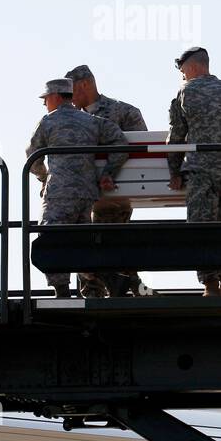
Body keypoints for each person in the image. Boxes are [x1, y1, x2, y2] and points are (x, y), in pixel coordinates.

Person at [165, 47, 221, 296]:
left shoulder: (186, 92)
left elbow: (176, 136)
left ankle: (210, 285)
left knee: (201, 228)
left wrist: (174, 170)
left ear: (193, 67)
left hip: (201, 171)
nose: (182, 75)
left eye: (183, 70)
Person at [25, 78, 129, 299]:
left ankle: (62, 291)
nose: (44, 104)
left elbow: (31, 157)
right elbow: (120, 143)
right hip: (87, 195)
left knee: (50, 240)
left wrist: (44, 178)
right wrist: (108, 172)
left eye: (45, 99)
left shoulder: (48, 122)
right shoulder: (92, 121)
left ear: (55, 97)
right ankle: (112, 279)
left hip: (60, 193)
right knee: (82, 244)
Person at [66, 64, 152, 297]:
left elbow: (140, 154)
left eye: (71, 91)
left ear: (85, 85)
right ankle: (99, 293)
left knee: (108, 240)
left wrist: (110, 173)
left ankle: (127, 289)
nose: (69, 98)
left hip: (113, 194)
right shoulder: (68, 119)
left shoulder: (124, 112)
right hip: (80, 194)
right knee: (83, 242)